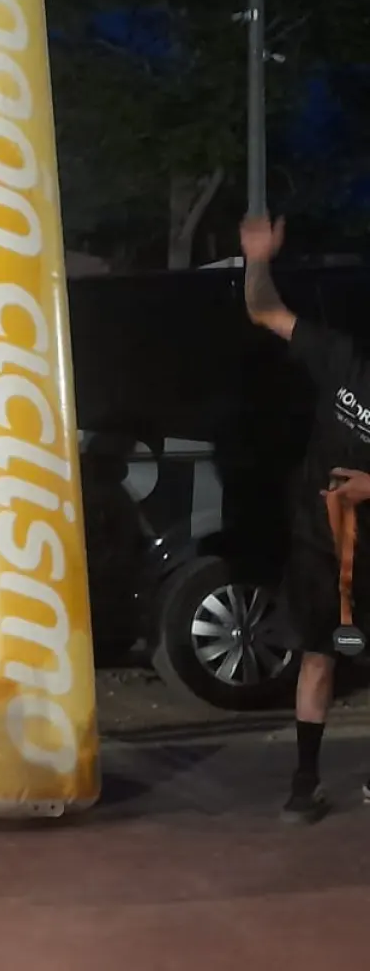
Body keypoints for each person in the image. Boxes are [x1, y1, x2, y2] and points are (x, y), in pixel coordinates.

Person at [238, 215, 370, 823]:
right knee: (319, 656)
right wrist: (258, 259)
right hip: (322, 541)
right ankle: (304, 783)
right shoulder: (343, 358)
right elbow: (265, 312)